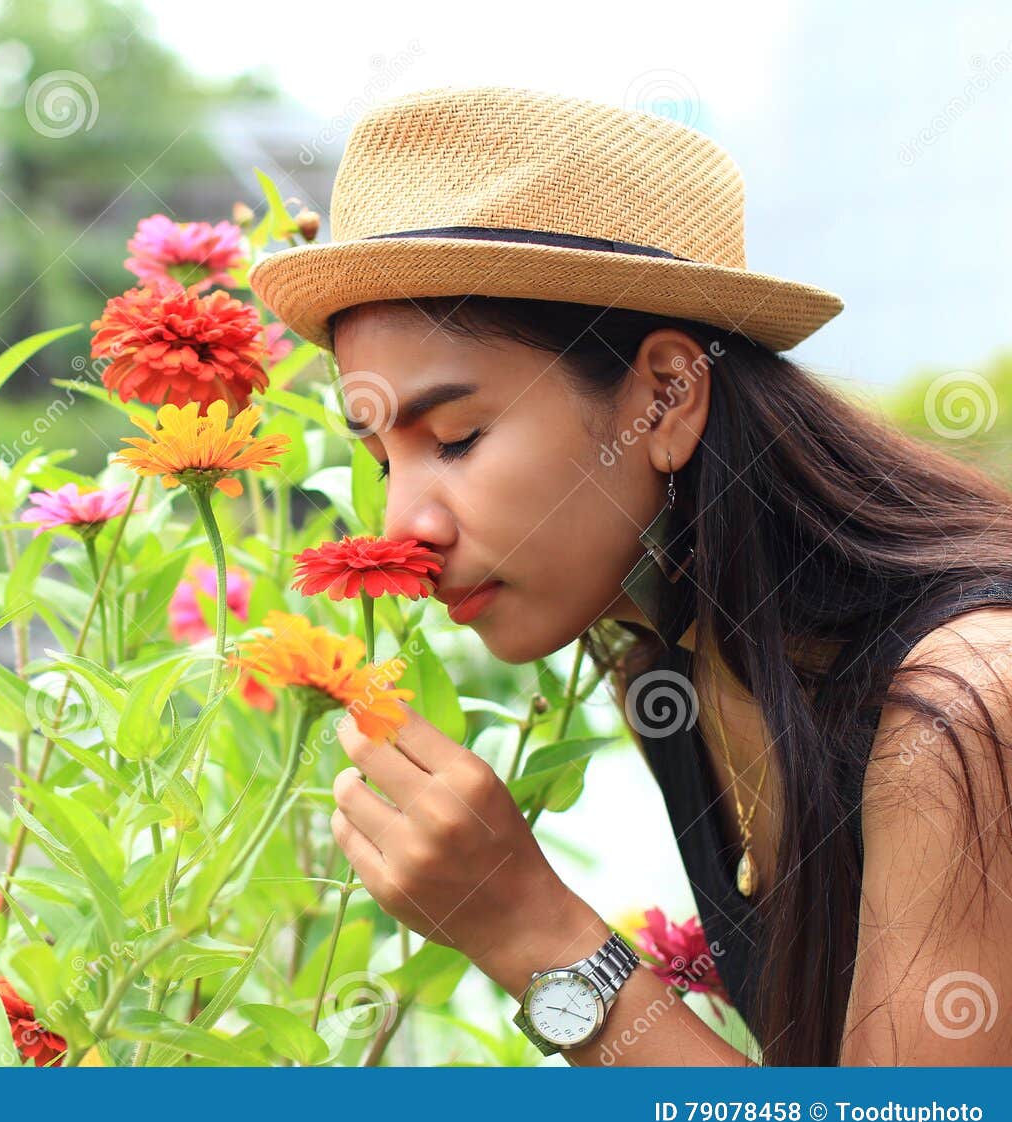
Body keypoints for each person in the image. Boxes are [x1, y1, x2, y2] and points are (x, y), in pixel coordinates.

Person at [249, 86, 1012, 1066]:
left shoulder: (965, 702)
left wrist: (532, 931)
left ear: (664, 395)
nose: (406, 528)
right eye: (385, 459)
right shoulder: (666, 662)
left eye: (456, 436)